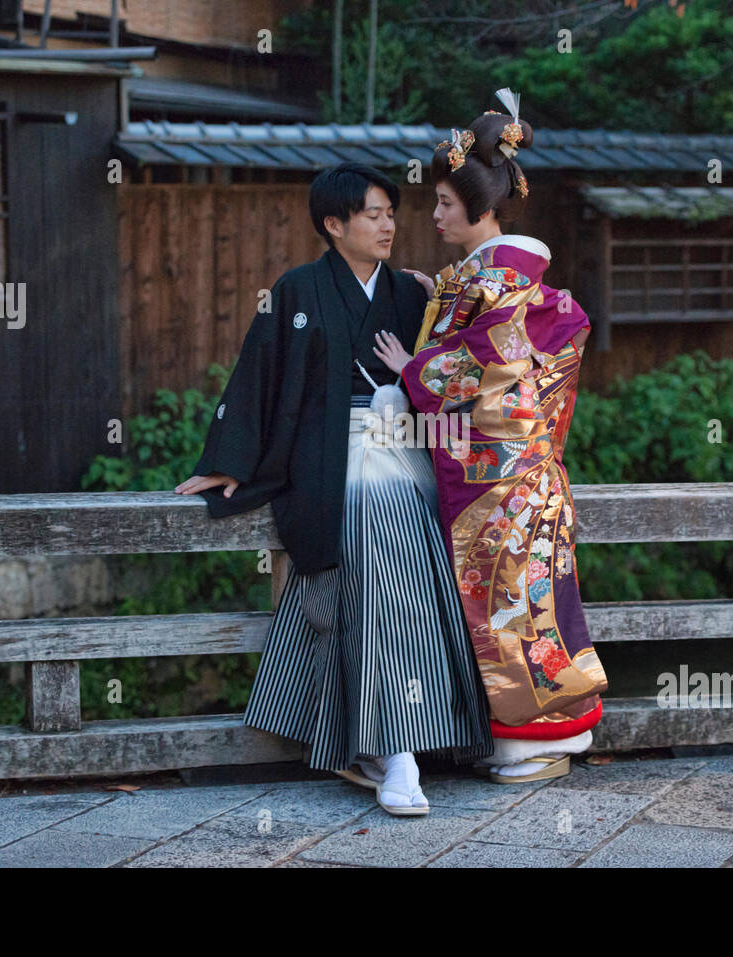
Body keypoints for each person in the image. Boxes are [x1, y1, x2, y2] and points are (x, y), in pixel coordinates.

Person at [174, 163, 494, 816]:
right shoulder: (296, 290)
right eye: (372, 213)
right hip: (334, 456)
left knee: (400, 567)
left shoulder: (411, 294)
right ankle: (399, 751)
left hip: (403, 450)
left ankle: (385, 742)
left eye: (390, 212)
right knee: (379, 551)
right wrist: (231, 460)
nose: (387, 224)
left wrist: (433, 332)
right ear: (333, 224)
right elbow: (258, 377)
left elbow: (455, 380)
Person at [373, 90, 608, 784]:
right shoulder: (490, 273)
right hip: (507, 470)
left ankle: (537, 740)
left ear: (479, 207)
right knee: (520, 604)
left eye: (445, 203)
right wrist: (431, 305)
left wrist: (412, 369)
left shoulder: (500, 274)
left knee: (515, 607)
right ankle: (530, 735)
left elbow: (490, 361)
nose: (436, 213)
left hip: (501, 477)